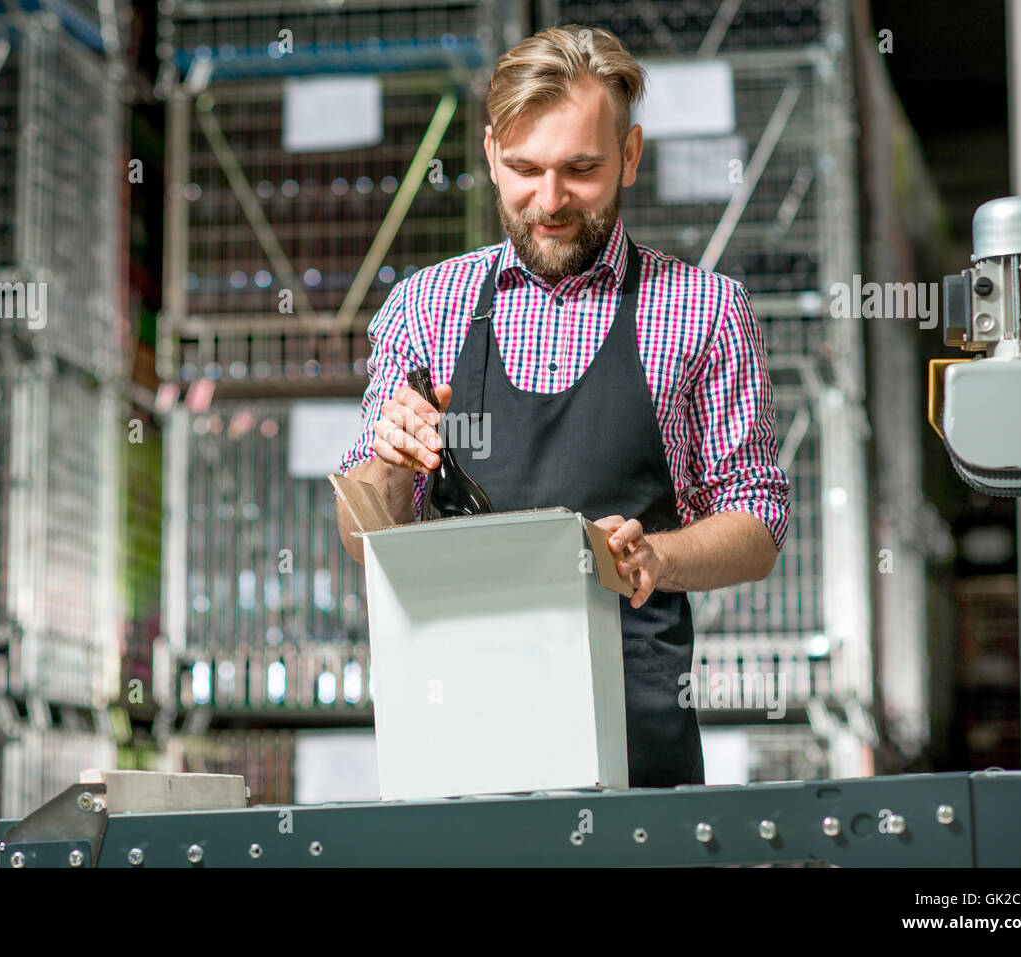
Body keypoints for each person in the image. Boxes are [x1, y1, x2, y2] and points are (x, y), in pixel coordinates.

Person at [335, 24, 791, 788]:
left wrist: (656, 557)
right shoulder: (426, 308)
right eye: (524, 169)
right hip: (457, 742)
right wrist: (388, 461)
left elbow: (760, 518)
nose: (549, 202)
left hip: (635, 749)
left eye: (581, 169)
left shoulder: (705, 311)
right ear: (489, 154)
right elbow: (362, 541)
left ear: (631, 156)